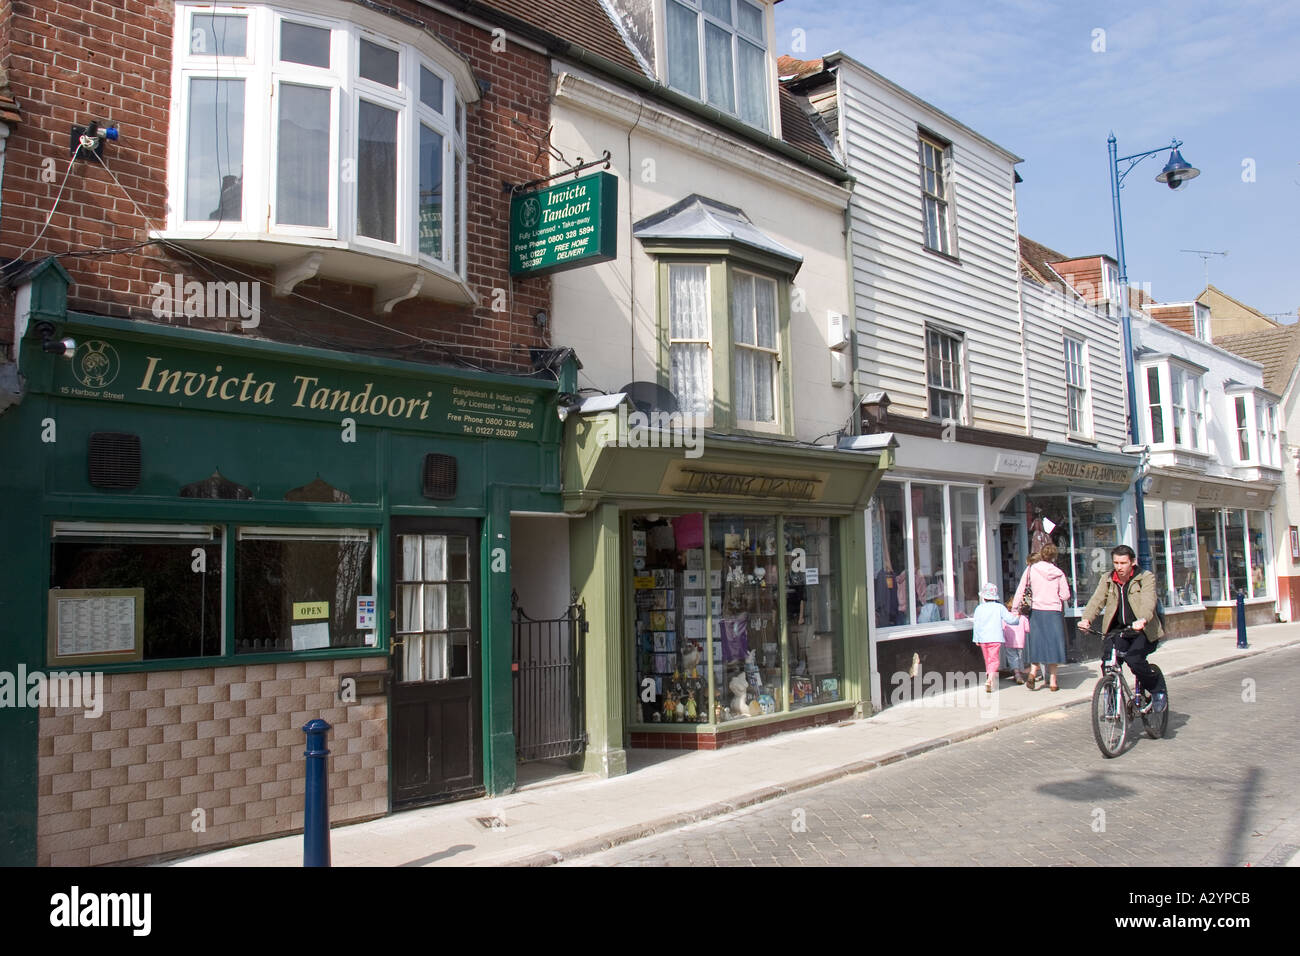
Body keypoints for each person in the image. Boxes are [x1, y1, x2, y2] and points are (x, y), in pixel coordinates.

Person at [1078, 545, 1167, 711]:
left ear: (1132, 562)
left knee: (1134, 660)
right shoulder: (1108, 579)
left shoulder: (1145, 577)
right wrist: (1086, 619)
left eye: (1123, 563)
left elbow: (1148, 601)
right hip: (1119, 631)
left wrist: (1142, 619)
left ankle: (1157, 690)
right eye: (1116, 563)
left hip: (1143, 630)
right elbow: (1097, 600)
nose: (1119, 567)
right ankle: (1112, 702)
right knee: (1108, 662)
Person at [1012, 543, 1071, 691]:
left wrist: (1015, 608)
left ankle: (1032, 673)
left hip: (1037, 610)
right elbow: (1065, 595)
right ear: (1054, 556)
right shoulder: (1059, 573)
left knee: (1037, 643)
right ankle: (1053, 682)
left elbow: (1021, 589)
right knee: (1053, 645)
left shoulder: (1032, 569)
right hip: (1054, 612)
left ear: (1042, 554)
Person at [972, 583, 1020, 692]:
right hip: (995, 637)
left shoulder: (979, 608)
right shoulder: (999, 608)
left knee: (988, 659)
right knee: (994, 660)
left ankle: (991, 679)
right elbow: (1010, 620)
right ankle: (989, 680)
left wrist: (976, 638)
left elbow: (977, 624)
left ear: (984, 597)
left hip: (983, 638)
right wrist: (1018, 619)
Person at [1002, 597, 1029, 683]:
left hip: (1009, 641)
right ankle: (1020, 673)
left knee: (1012, 657)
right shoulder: (1023, 618)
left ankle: (1016, 673)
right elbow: (1027, 629)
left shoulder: (1006, 617)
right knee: (1019, 657)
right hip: (1020, 642)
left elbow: (1002, 627)